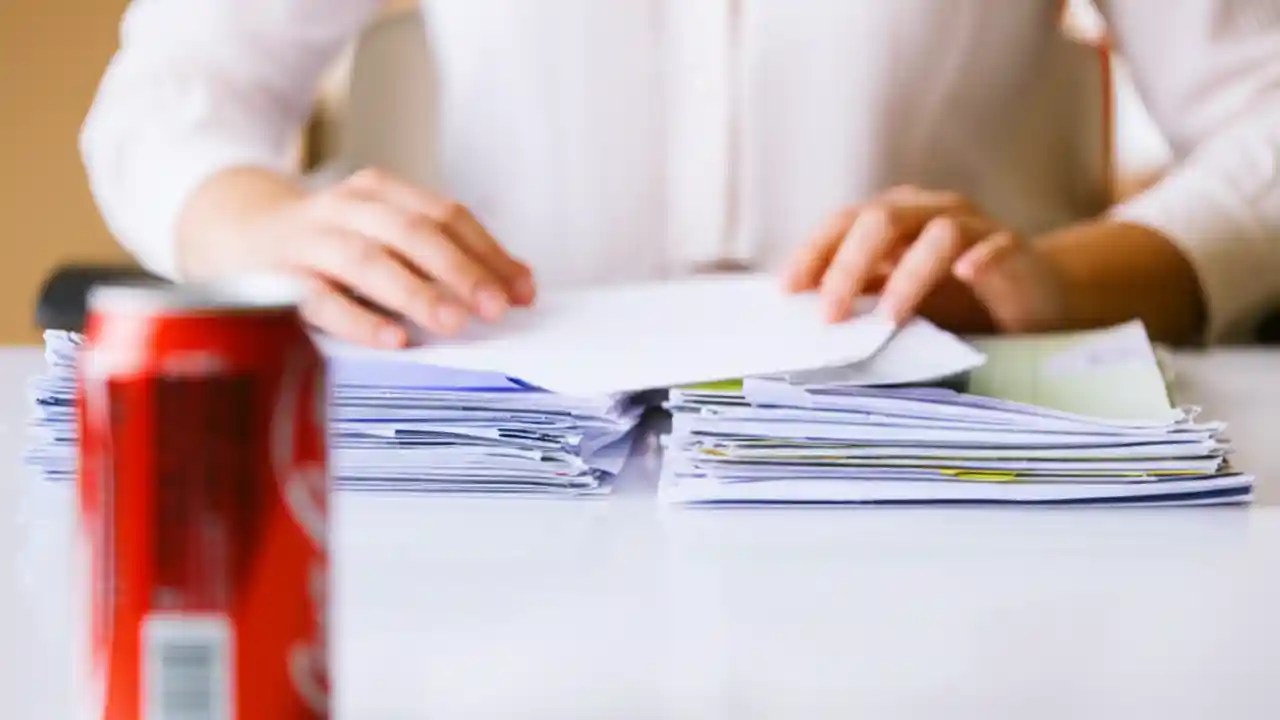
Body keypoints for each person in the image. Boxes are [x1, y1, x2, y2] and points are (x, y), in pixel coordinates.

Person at [81, 1, 1280, 348]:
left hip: (960, 456)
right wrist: (267, 232)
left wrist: (1061, 281)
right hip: (515, 483)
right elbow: (165, 101)